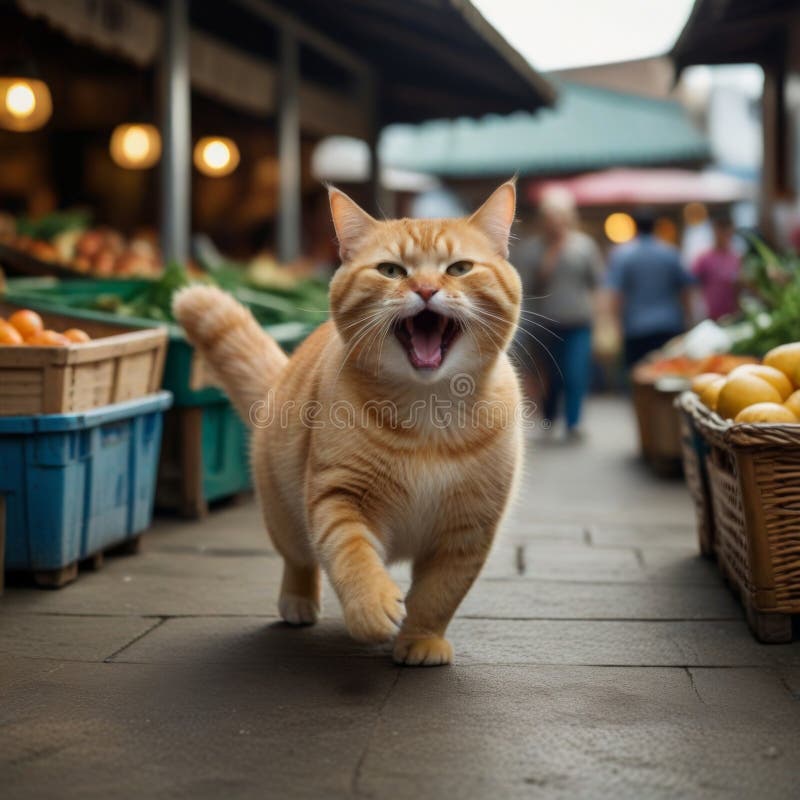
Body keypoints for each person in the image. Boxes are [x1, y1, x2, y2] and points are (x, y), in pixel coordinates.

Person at [514, 187, 603, 439]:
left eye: (560, 216)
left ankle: (573, 422)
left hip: (578, 321)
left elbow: (595, 283)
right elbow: (526, 287)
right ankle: (550, 417)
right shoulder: (533, 249)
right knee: (551, 375)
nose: (555, 223)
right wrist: (550, 258)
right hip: (546, 324)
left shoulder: (584, 246)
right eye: (550, 217)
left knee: (576, 372)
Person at [606, 209, 693, 369]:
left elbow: (616, 294)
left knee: (638, 379)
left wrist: (616, 325)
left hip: (635, 328)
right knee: (667, 376)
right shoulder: (670, 253)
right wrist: (688, 319)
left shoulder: (623, 255)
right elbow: (685, 289)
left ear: (635, 227)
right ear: (655, 227)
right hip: (669, 325)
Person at [691, 211, 741, 320]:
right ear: (714, 230)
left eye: (728, 231)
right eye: (721, 230)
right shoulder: (703, 258)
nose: (725, 235)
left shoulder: (737, 257)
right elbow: (693, 288)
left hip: (733, 315)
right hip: (710, 316)